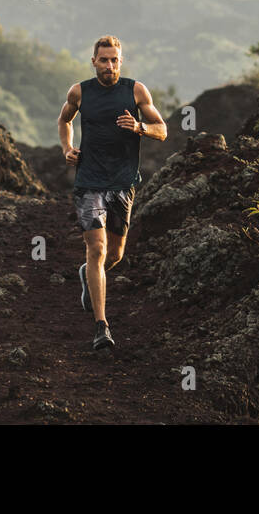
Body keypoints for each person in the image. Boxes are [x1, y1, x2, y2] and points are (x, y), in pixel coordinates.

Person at [57, 35, 167, 349]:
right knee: (97, 250)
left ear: (121, 60)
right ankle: (101, 327)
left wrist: (140, 128)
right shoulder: (80, 92)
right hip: (89, 182)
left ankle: (87, 276)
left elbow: (162, 129)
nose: (109, 66)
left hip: (123, 183)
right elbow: (64, 120)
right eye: (103, 60)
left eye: (114, 60)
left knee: (115, 255)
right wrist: (67, 148)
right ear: (94, 61)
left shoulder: (135, 91)